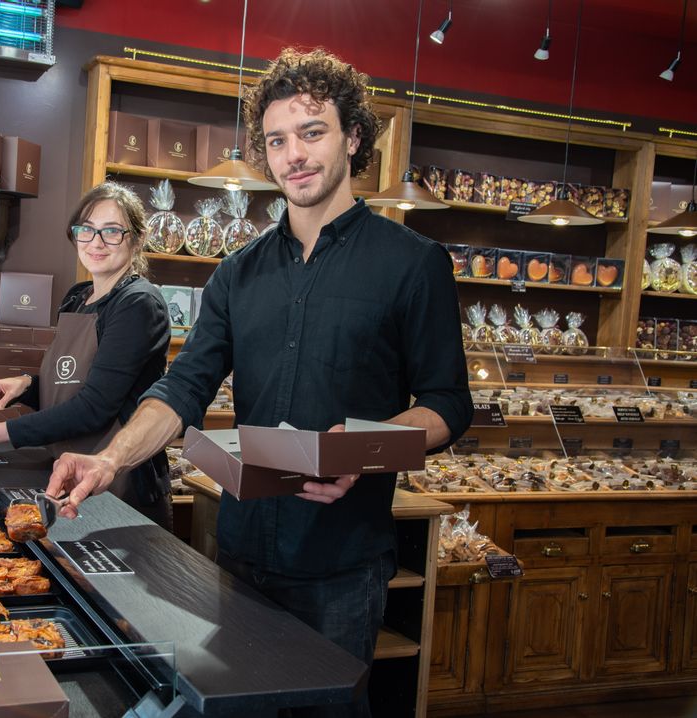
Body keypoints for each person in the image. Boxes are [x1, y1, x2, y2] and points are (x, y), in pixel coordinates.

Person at [45, 49, 473, 717]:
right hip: (237, 556)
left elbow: (449, 405)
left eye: (312, 132)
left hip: (343, 566)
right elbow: (184, 386)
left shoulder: (412, 265)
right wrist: (110, 457)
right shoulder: (238, 272)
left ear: (353, 136)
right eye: (277, 140)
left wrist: (365, 451)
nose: (293, 155)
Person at [0, 182, 174, 529]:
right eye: (87, 230)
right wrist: (28, 385)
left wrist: (1, 432)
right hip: (67, 473)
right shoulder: (78, 297)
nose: (96, 242)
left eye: (112, 231)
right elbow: (72, 382)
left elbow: (95, 407)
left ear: (137, 238)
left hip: (120, 486)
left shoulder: (139, 304)